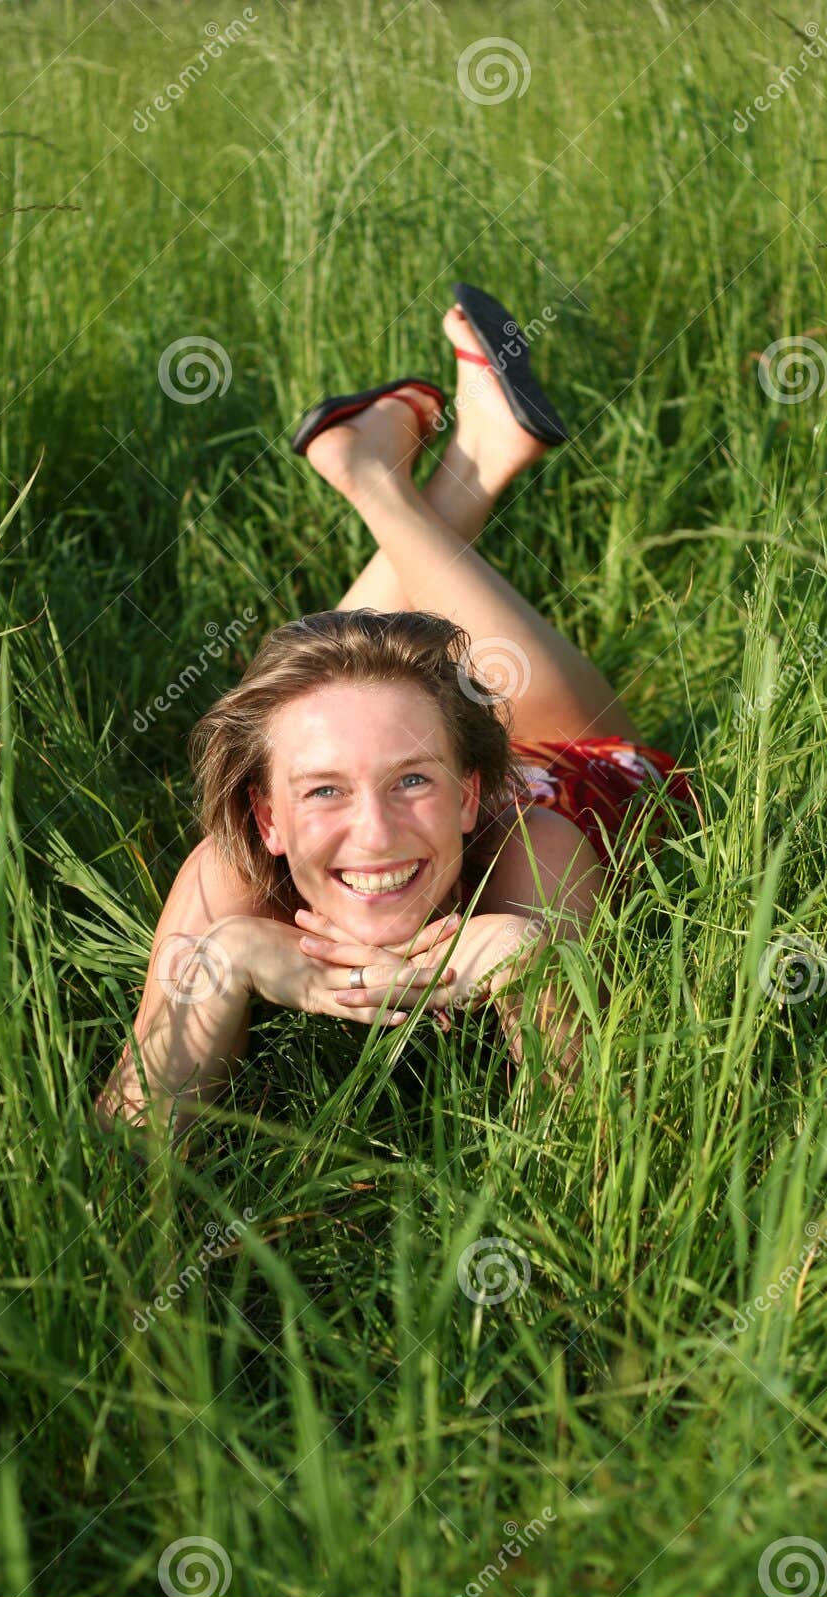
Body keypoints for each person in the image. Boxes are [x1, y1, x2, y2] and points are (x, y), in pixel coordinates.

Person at [95, 288, 697, 1139]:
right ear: (265, 817)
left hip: (575, 763)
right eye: (322, 793)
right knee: (338, 693)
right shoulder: (227, 874)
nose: (374, 836)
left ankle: (404, 468)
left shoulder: (537, 850)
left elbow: (604, 1147)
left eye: (411, 783)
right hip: (471, 724)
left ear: (464, 795)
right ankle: (431, 466)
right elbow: (124, 1152)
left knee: (347, 698)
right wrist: (226, 958)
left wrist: (524, 960)